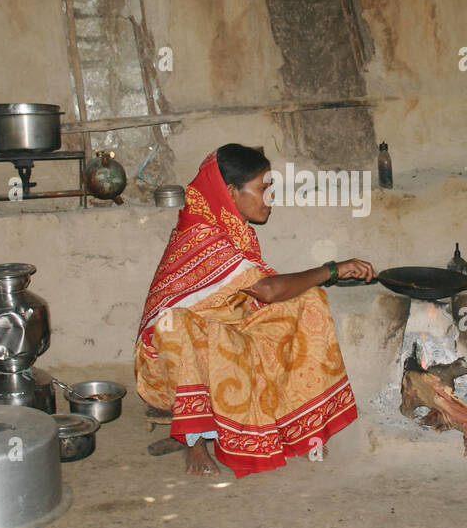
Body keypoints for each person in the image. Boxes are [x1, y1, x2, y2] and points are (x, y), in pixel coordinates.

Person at [135, 144, 375, 477]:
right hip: (171, 357)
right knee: (175, 325)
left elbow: (260, 293)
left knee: (309, 301)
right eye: (263, 188)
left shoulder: (235, 230)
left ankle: (300, 430)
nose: (269, 198)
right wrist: (332, 269)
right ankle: (195, 444)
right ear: (231, 191)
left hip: (226, 329)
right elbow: (267, 290)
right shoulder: (203, 233)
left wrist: (322, 279)